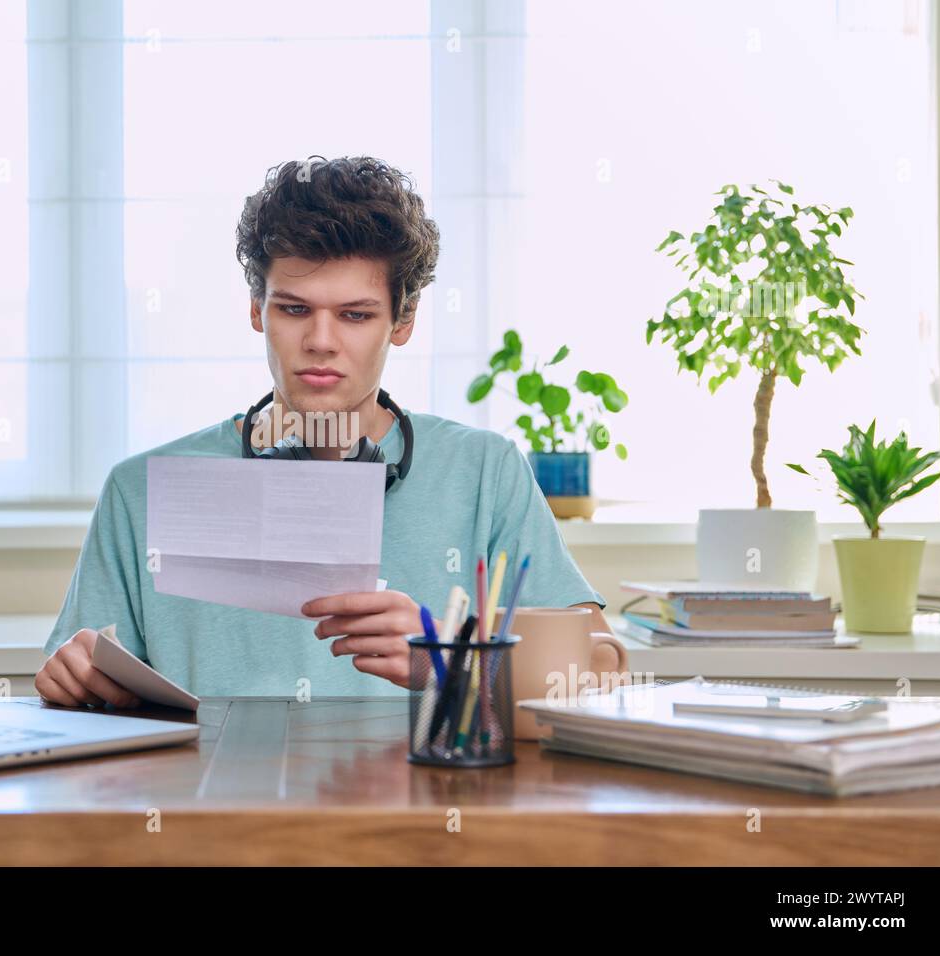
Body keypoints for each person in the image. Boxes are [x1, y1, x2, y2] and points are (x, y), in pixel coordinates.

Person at [37, 156, 609, 706]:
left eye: (356, 315)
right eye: (293, 309)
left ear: (403, 320)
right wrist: (73, 680)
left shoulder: (484, 472)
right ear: (257, 309)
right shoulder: (139, 492)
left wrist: (449, 660)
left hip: (419, 804)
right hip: (209, 802)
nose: (321, 341)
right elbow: (88, 685)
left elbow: (601, 670)